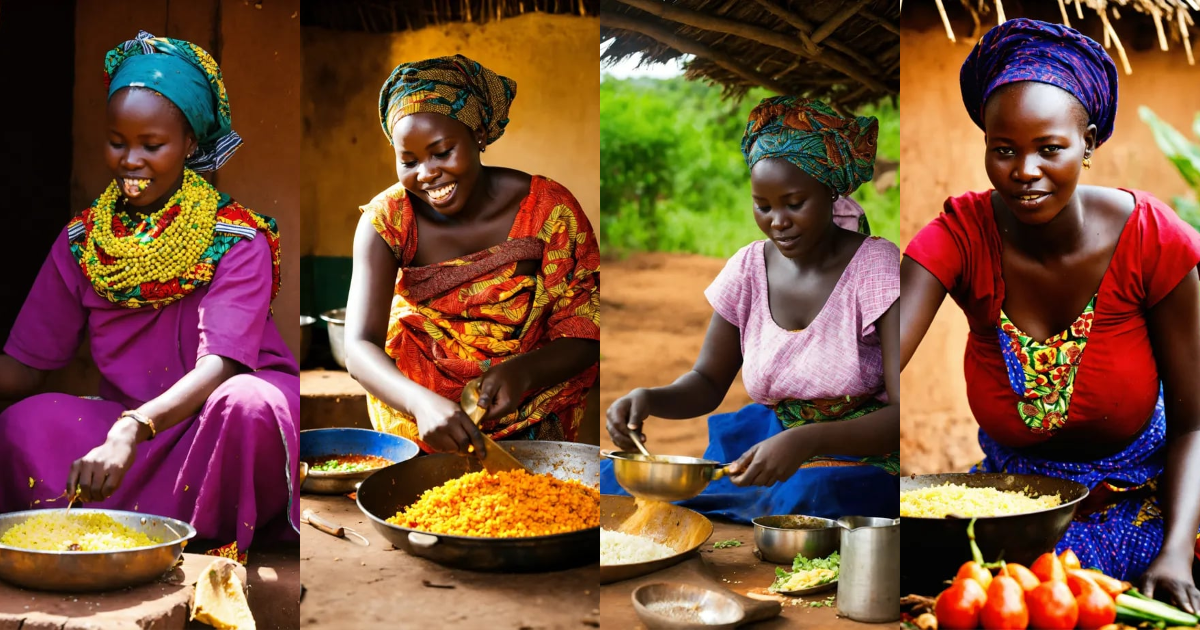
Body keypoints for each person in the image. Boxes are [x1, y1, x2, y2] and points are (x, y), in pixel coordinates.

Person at [902, 18, 1200, 609]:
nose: (1024, 171)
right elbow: (880, 351)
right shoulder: (962, 236)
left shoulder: (1151, 240)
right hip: (1014, 510)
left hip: (1142, 507)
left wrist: (1175, 549)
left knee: (1056, 595)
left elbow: (1195, 424)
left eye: (1050, 148)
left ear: (1088, 142)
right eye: (1003, 149)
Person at [0, 31, 299, 562]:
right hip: (127, 422)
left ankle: (211, 541)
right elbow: (23, 367)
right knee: (25, 422)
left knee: (250, 405)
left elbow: (224, 365)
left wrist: (130, 430)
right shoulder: (84, 242)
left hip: (214, 420)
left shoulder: (238, 238)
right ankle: (123, 525)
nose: (130, 160)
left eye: (152, 145)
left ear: (189, 143)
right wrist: (123, 425)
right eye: (117, 141)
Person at [603, 96, 900, 522]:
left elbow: (900, 416)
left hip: (858, 453)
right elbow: (706, 380)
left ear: (829, 191)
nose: (777, 220)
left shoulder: (875, 267)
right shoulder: (748, 268)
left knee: (812, 492)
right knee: (615, 480)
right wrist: (648, 399)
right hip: (770, 440)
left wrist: (807, 442)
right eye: (763, 205)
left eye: (794, 203)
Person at [344, 55, 600, 454]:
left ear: (478, 135)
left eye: (441, 152)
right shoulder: (388, 221)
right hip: (418, 413)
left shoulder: (550, 210)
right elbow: (359, 346)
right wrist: (419, 403)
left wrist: (520, 372)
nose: (426, 173)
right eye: (408, 161)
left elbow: (586, 330)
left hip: (528, 405)